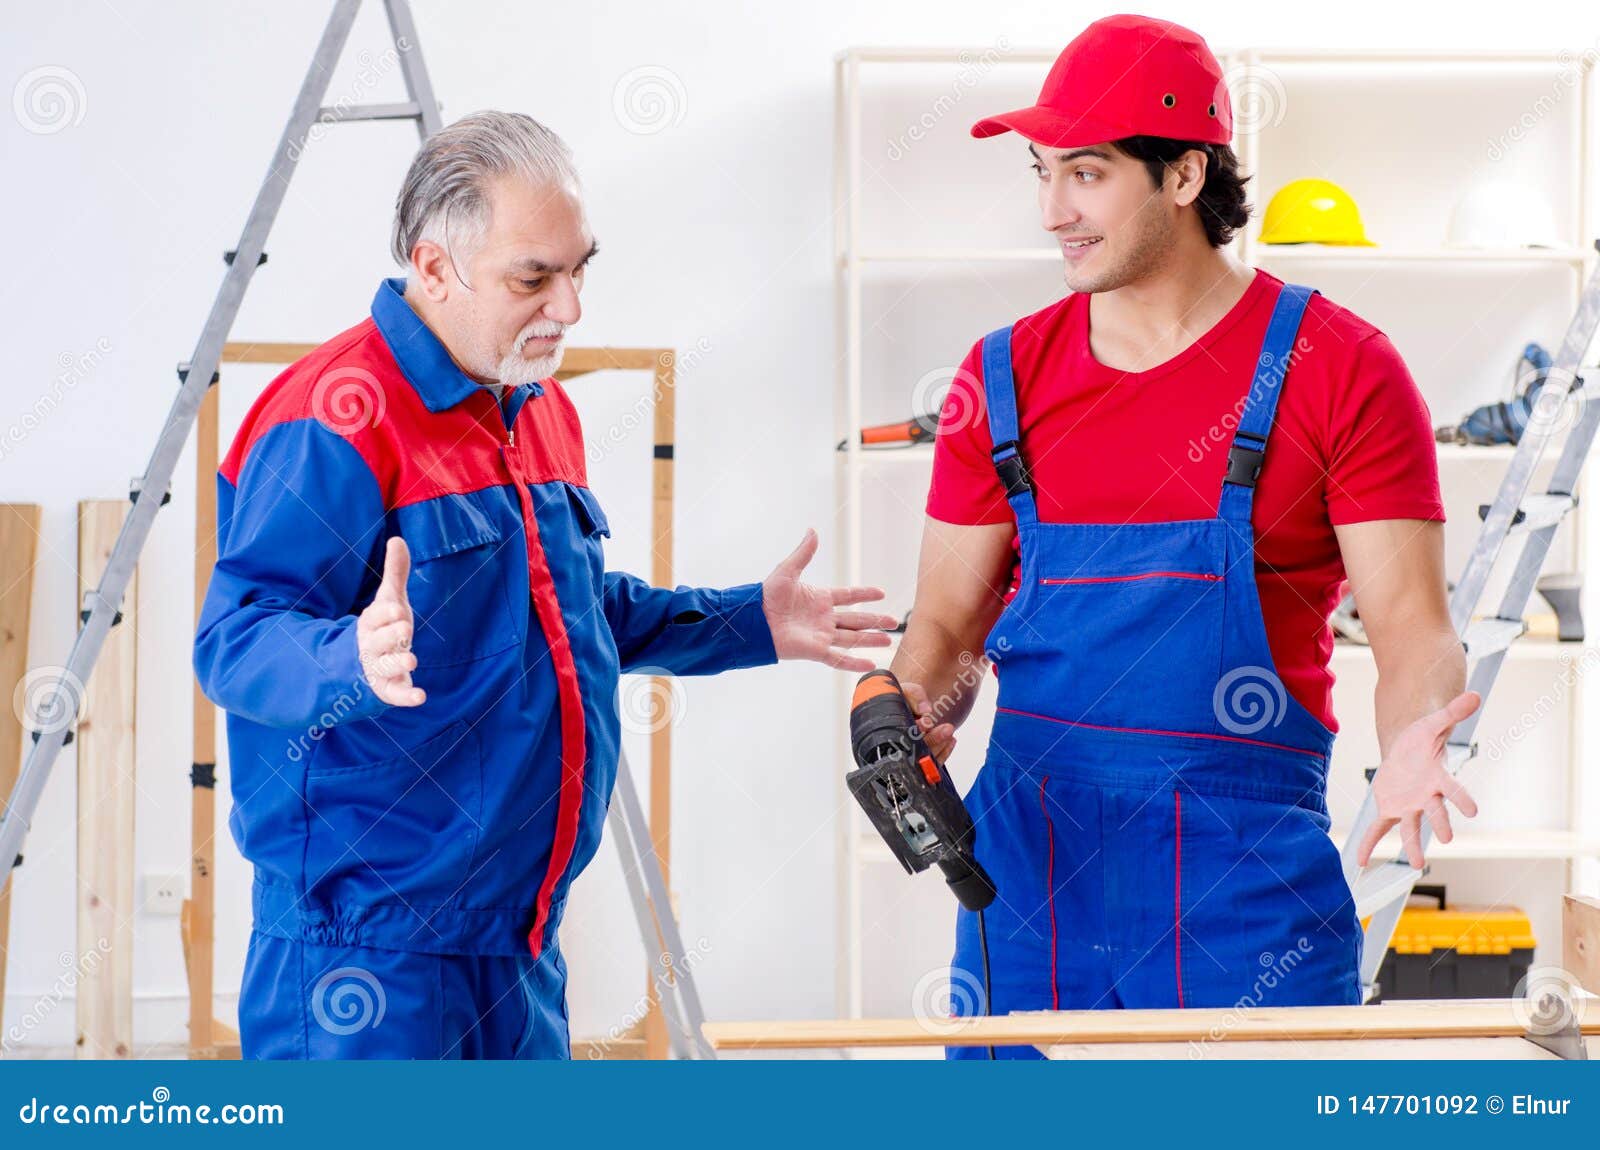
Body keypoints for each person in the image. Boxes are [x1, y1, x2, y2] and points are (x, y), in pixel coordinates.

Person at [194, 110, 895, 1059]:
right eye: (535, 278)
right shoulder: (333, 420)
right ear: (434, 267)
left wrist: (747, 623)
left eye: (579, 270)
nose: (569, 308)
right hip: (364, 967)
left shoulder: (536, 406)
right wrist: (345, 655)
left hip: (518, 949)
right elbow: (233, 639)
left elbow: (570, 619)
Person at [889, 15, 1480, 1058]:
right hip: (1028, 888)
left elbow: (1411, 631)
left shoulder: (1340, 368)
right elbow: (944, 621)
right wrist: (912, 714)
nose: (1050, 212)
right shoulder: (998, 379)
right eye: (1041, 173)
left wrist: (1409, 743)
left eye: (1084, 174)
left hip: (1240, 891)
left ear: (1182, 174)